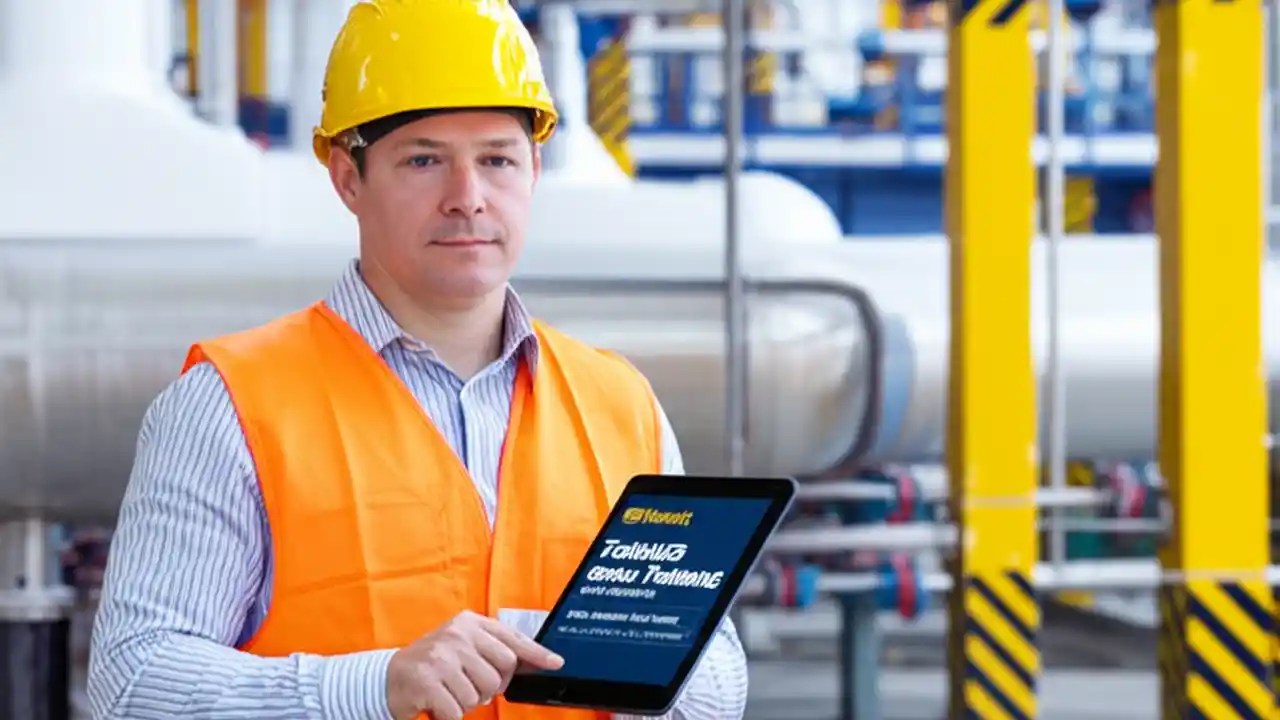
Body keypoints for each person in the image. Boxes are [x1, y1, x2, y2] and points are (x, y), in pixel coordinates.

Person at [85, 1, 749, 719]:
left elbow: (719, 678)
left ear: (533, 169)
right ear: (347, 177)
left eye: (497, 159)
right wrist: (373, 686)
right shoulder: (231, 407)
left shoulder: (622, 406)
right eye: (424, 160)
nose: (468, 199)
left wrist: (626, 664)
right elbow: (132, 682)